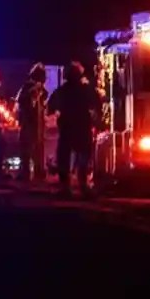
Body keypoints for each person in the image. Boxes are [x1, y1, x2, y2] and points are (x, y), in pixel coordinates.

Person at [47, 62, 101, 198]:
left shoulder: (61, 91)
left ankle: (66, 188)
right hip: (82, 126)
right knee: (83, 156)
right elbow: (97, 104)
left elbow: (50, 108)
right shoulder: (87, 90)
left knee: (64, 157)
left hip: (67, 128)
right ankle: (83, 186)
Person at [16, 64, 49, 182]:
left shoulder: (40, 90)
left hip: (36, 123)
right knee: (28, 148)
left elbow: (43, 100)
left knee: (36, 148)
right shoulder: (29, 88)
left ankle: (37, 172)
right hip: (30, 122)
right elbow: (22, 102)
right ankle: (27, 172)